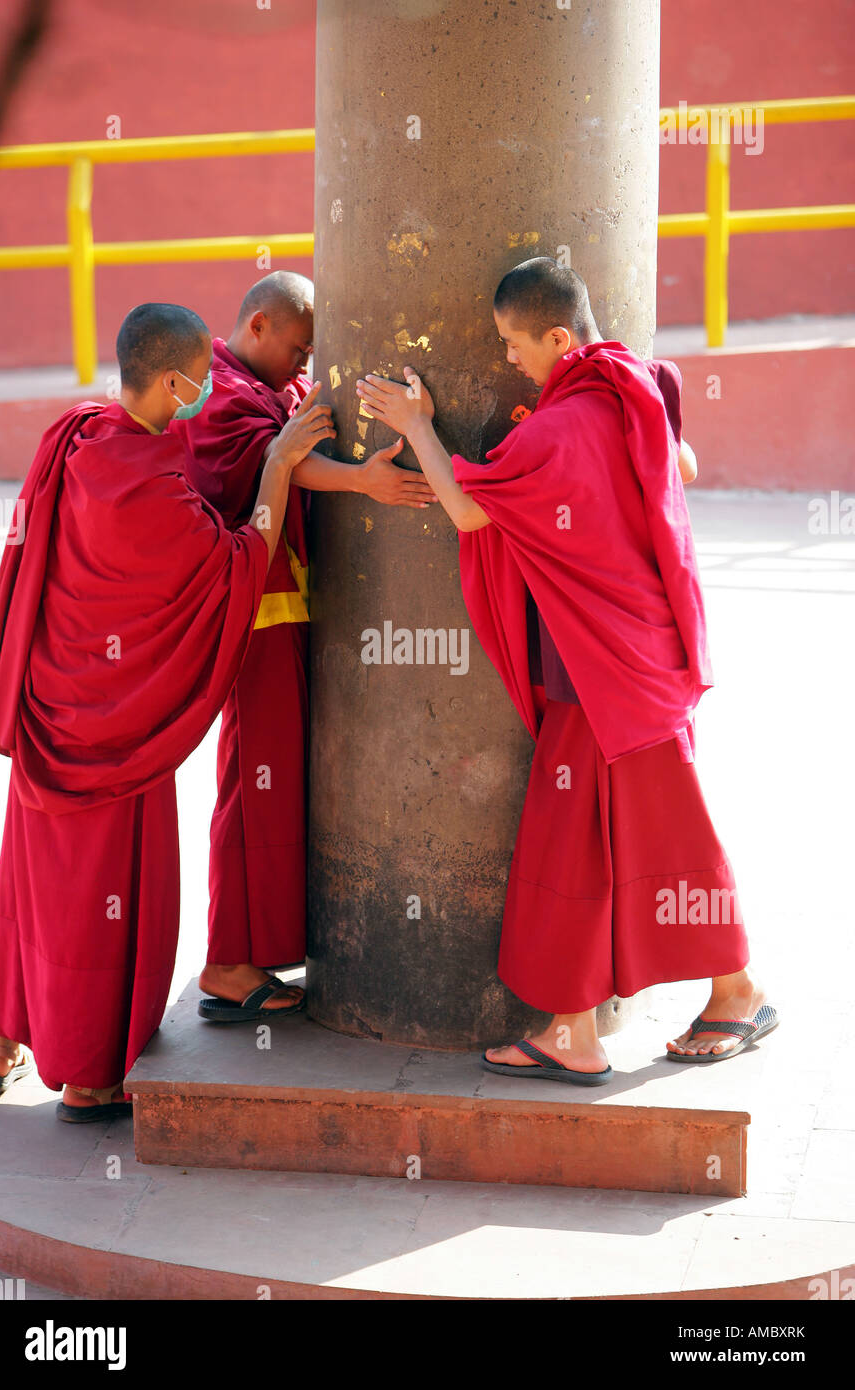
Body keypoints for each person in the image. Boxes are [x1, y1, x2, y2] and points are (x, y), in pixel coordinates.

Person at [356, 259, 777, 1084]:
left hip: (614, 674)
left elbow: (470, 508)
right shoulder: (629, 386)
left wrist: (417, 427)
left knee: (669, 837)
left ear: (556, 336)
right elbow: (679, 469)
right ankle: (574, 1031)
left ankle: (736, 991)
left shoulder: (559, 429)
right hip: (616, 664)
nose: (508, 357)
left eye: (514, 343)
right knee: (576, 841)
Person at [0, 302, 333, 1119]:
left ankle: (0, 1043)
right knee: (97, 892)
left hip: (50, 700)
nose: (210, 387)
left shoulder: (74, 435)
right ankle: (90, 1073)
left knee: (32, 879)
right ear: (175, 382)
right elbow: (240, 564)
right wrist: (276, 466)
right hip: (114, 729)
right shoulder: (153, 490)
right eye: (202, 377)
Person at [176, 272, 436, 1022]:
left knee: (274, 783)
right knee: (251, 785)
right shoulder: (221, 394)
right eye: (297, 349)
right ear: (257, 327)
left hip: (285, 605)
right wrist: (361, 481)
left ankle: (248, 952)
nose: (303, 364)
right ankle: (227, 963)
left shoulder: (266, 386)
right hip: (255, 614)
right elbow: (273, 464)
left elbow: (290, 442)